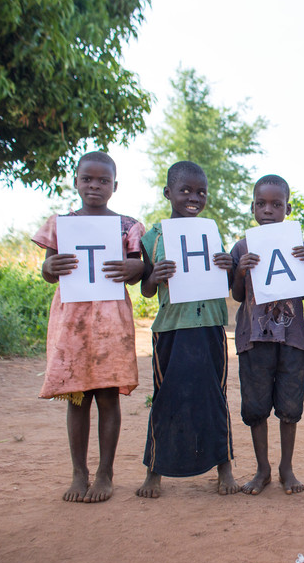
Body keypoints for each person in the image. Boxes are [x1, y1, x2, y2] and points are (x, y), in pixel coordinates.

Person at [32, 151, 144, 503]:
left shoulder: (128, 226)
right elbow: (48, 271)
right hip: (73, 323)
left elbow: (138, 269)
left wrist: (134, 269)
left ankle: (105, 473)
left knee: (108, 396)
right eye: (87, 179)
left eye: (103, 180)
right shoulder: (61, 223)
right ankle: (78, 473)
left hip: (112, 322)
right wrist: (50, 267)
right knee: (77, 397)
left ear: (115, 185)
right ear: (75, 182)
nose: (95, 186)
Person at [136, 161, 239, 499]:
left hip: (209, 325)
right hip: (171, 328)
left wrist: (228, 266)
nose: (194, 197)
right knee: (166, 397)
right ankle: (154, 471)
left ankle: (224, 468)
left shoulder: (210, 231)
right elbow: (146, 290)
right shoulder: (153, 236)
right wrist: (154, 276)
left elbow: (223, 280)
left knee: (214, 396)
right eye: (185, 190)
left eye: (201, 192)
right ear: (168, 193)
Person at [231, 174, 304, 495]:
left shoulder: (296, 246)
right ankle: (262, 468)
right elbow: (237, 295)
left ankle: (286, 468)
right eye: (261, 204)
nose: (268, 210)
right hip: (254, 337)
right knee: (256, 406)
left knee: (290, 406)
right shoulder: (242, 247)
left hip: (292, 338)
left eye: (276, 204)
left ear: (287, 209)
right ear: (253, 207)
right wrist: (241, 270)